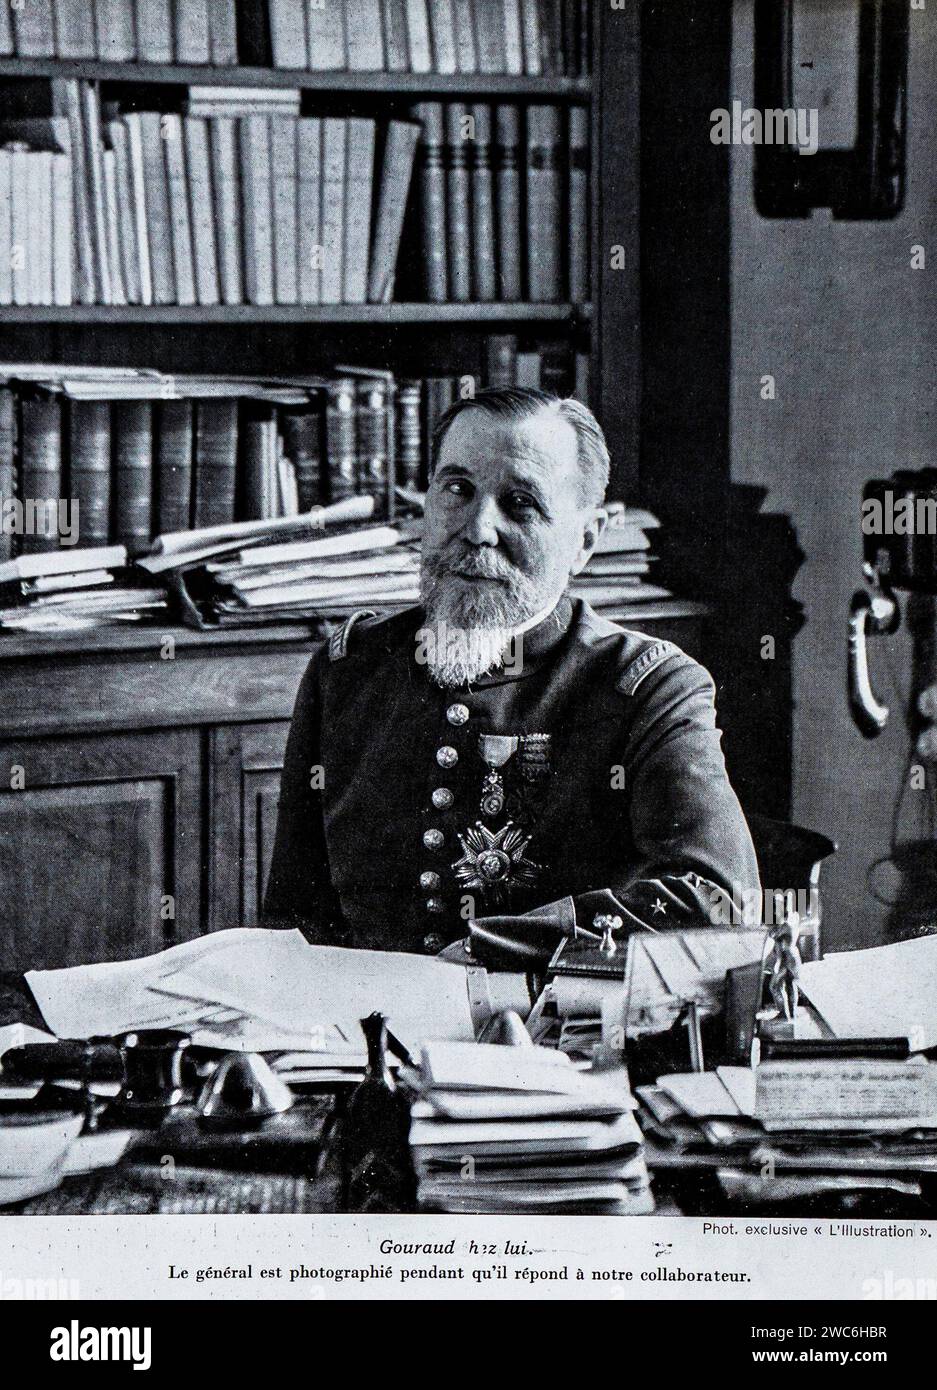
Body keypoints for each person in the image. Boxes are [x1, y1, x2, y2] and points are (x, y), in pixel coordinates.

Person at [263, 387, 760, 955]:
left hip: (545, 1033)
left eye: (520, 503)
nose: (477, 529)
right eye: (457, 490)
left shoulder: (648, 688)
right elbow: (294, 919)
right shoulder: (347, 669)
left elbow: (718, 901)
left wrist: (493, 946)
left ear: (585, 541)